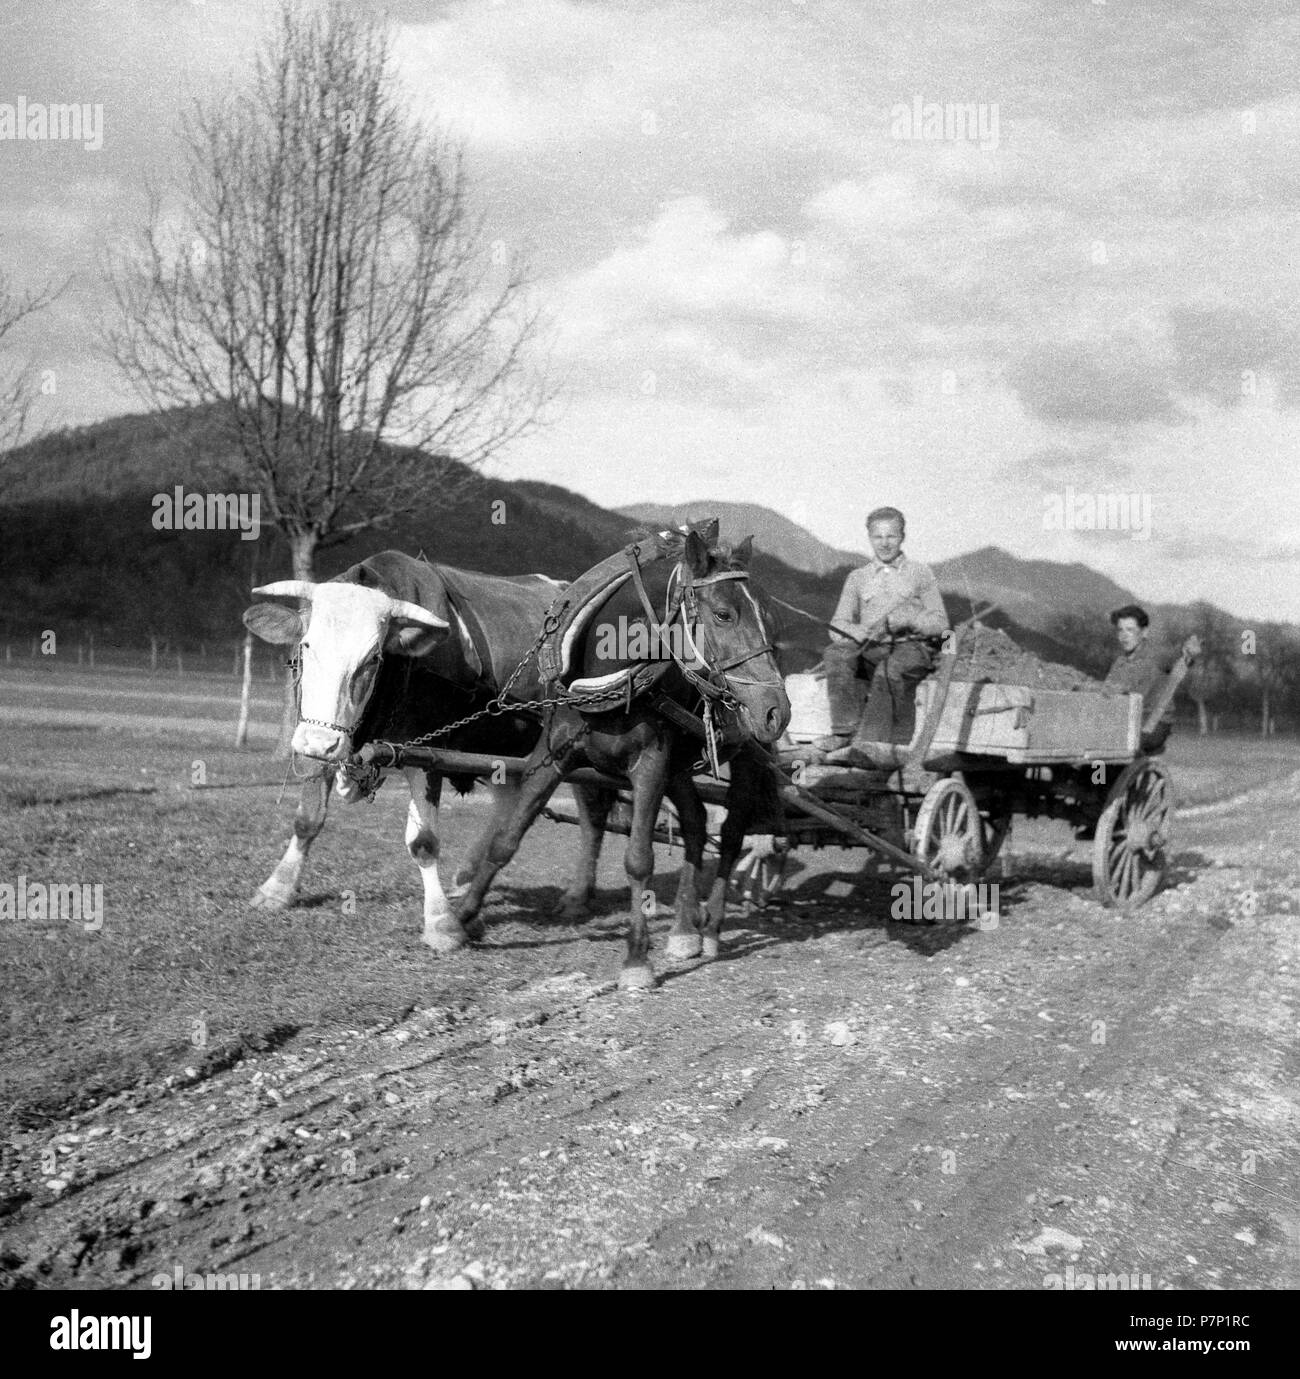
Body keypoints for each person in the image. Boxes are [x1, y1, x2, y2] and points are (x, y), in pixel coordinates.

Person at [817, 507, 950, 767]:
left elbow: (941, 623)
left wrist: (909, 619)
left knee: (889, 672)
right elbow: (837, 626)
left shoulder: (920, 573)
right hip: (872, 649)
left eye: (891, 536)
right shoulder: (858, 578)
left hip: (912, 648)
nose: (885, 543)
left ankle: (868, 745)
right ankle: (844, 732)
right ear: (869, 538)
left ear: (902, 536)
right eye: (878, 537)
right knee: (836, 654)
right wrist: (856, 631)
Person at [1103, 604, 1174, 753]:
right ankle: (1090, 774)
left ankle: (1099, 776)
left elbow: (1133, 697)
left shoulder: (1152, 660)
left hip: (1152, 725)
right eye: (1120, 630)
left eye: (1130, 630)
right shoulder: (1120, 662)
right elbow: (1108, 690)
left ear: (1144, 632)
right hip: (1129, 720)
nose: (1124, 635)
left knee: (1102, 747)